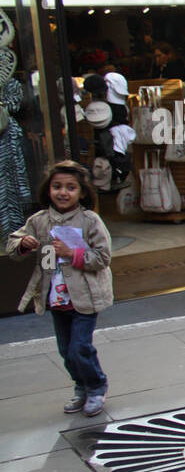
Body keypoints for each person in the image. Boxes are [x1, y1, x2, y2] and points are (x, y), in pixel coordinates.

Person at [7, 161, 113, 416]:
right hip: (56, 298)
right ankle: (81, 388)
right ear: (48, 190)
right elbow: (13, 245)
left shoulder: (89, 220)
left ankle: (96, 387)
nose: (63, 192)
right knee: (66, 350)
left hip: (85, 298)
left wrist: (72, 253)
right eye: (57, 187)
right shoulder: (40, 221)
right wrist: (24, 243)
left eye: (70, 187)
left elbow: (103, 257)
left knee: (80, 347)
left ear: (82, 192)